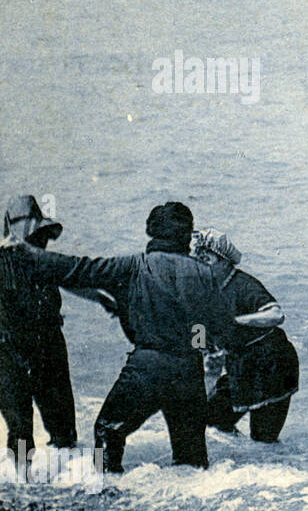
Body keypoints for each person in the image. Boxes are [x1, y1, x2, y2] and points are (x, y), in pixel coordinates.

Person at [1, 202, 235, 472]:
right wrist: (197, 350)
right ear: (186, 235)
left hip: (145, 366)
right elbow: (218, 327)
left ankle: (104, 484)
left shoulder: (134, 266)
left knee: (106, 430)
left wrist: (23, 250)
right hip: (187, 370)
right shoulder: (205, 274)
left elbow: (77, 269)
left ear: (153, 231)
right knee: (192, 456)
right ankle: (195, 507)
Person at [0, 196, 103, 471]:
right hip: (8, 351)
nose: (43, 241)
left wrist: (103, 299)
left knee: (64, 429)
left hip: (49, 347)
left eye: (44, 235)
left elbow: (70, 279)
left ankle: (67, 476)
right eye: (37, 234)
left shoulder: (42, 260)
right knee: (20, 427)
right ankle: (22, 480)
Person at [191, 229, 299, 442]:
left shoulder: (242, 284)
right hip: (240, 366)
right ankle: (240, 459)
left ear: (224, 262)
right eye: (196, 261)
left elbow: (276, 314)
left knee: (263, 438)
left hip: (273, 362)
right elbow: (201, 349)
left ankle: (281, 470)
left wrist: (236, 321)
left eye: (206, 260)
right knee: (210, 420)